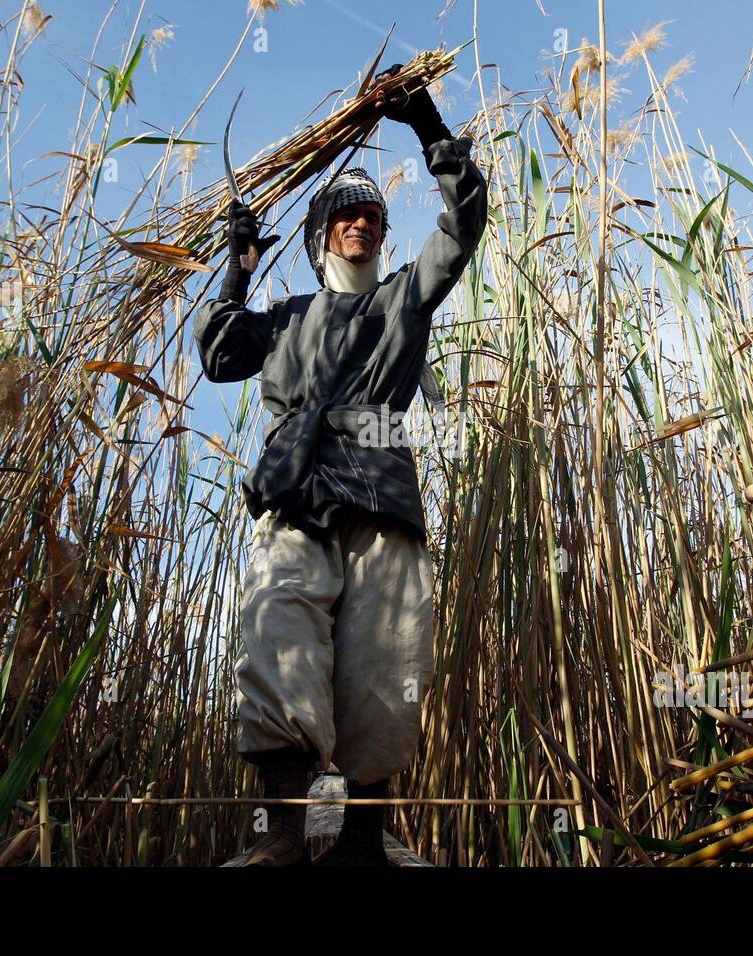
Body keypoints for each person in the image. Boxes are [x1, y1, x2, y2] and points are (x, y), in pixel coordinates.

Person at [195, 64, 489, 866]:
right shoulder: (288, 316)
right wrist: (239, 267)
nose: (359, 222)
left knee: (383, 666)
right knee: (278, 631)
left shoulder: (403, 300)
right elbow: (220, 354)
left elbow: (464, 223)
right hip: (292, 494)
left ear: (382, 234)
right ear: (323, 231)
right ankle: (283, 838)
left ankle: (361, 838)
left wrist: (426, 122)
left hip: (382, 498)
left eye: (370, 214)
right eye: (345, 213)